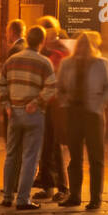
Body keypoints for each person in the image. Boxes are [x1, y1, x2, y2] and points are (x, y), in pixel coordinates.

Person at [0, 25, 56, 210]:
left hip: (14, 112)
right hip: (33, 114)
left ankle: (7, 196)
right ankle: (22, 198)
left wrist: (6, 105)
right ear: (42, 42)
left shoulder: (12, 60)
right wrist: (37, 101)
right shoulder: (44, 62)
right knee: (30, 156)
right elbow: (52, 86)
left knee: (11, 155)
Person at [57, 30, 108, 209]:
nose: (83, 48)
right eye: (80, 45)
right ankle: (75, 195)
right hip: (73, 113)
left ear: (91, 46)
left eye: (86, 45)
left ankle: (95, 198)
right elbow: (59, 87)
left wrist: (99, 104)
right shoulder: (67, 64)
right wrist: (64, 102)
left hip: (93, 115)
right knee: (75, 157)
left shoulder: (101, 63)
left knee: (96, 158)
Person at [36, 18, 70, 200]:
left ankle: (63, 188)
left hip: (56, 105)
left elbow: (54, 78)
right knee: (46, 147)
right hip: (46, 105)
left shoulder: (59, 53)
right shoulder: (47, 52)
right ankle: (48, 186)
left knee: (55, 147)